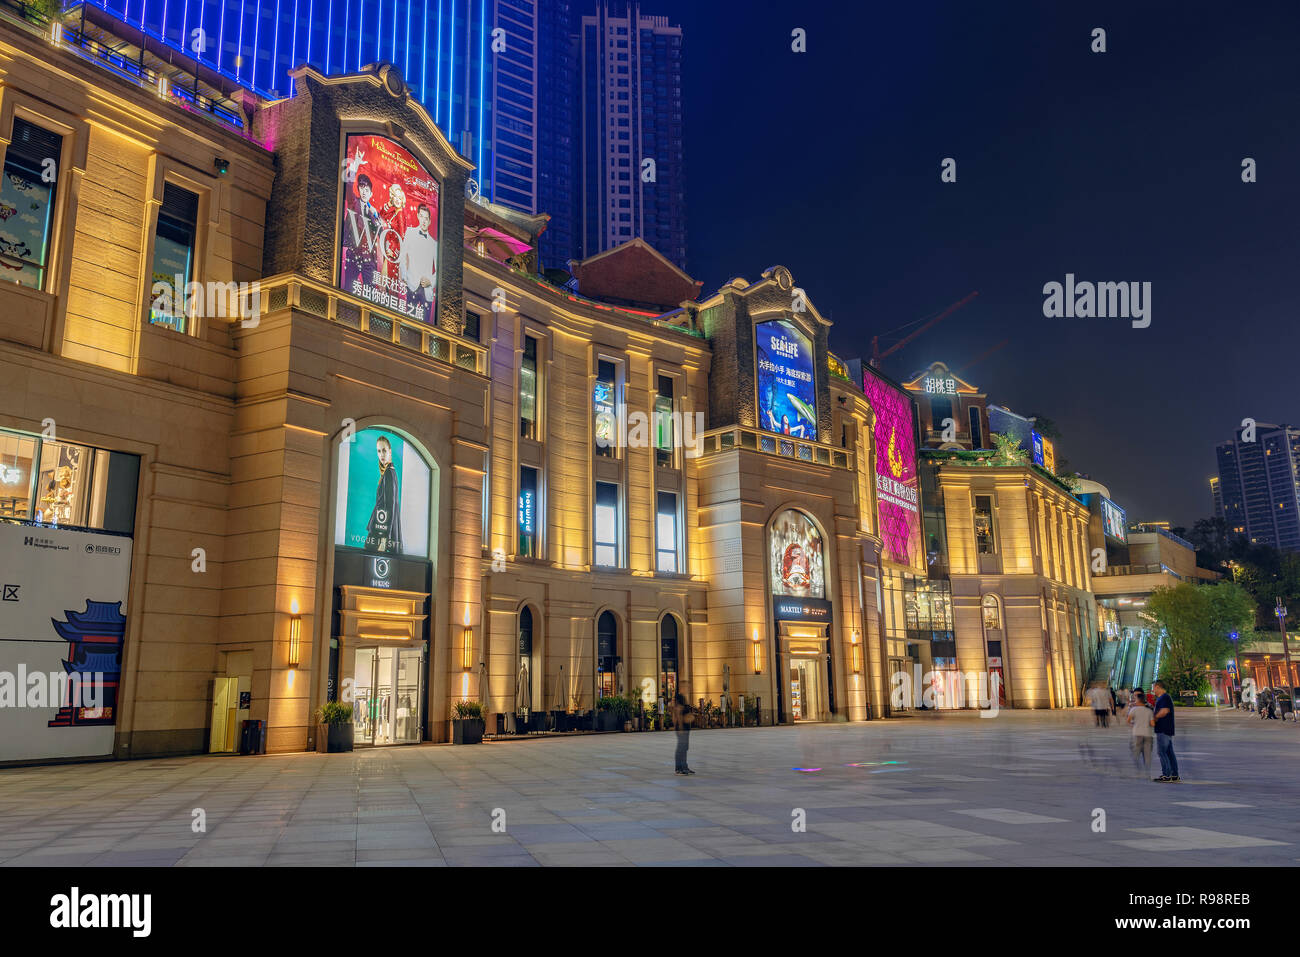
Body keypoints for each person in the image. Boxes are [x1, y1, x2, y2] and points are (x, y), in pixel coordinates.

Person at [365, 434, 402, 553]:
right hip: (380, 526)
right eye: (379, 451)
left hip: (380, 528)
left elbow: (390, 507)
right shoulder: (389, 472)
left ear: (390, 451)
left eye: (384, 450)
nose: (381, 454)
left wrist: (384, 540)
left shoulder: (389, 474)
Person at [400, 203, 438, 314]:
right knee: (409, 321)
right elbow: (403, 255)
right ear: (417, 216)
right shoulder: (410, 233)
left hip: (427, 290)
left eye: (426, 218)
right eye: (421, 216)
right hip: (412, 284)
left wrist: (430, 281)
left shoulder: (433, 243)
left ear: (430, 221)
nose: (424, 221)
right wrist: (405, 276)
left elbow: (439, 270)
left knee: (426, 326)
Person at [1151, 679, 1179, 782]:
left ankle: (1166, 775)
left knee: (1162, 752)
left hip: (1163, 729)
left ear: (1158, 687)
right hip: (1166, 728)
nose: (1153, 690)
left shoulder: (1164, 698)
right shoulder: (1164, 698)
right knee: (1169, 752)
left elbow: (1164, 711)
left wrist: (1154, 718)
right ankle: (1174, 775)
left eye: (1154, 688)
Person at [1126, 691, 1155, 776]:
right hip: (1148, 734)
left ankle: (1138, 770)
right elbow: (1153, 724)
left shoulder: (1133, 709)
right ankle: (1147, 772)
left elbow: (1128, 720)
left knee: (1136, 753)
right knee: (1147, 754)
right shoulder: (1149, 711)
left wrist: (1134, 724)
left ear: (1138, 700)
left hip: (1137, 734)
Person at [671, 692, 694, 775]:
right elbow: (678, 718)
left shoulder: (680, 707)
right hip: (682, 730)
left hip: (685, 730)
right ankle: (679, 768)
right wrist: (680, 728)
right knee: (681, 749)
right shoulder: (678, 707)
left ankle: (684, 767)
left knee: (684, 748)